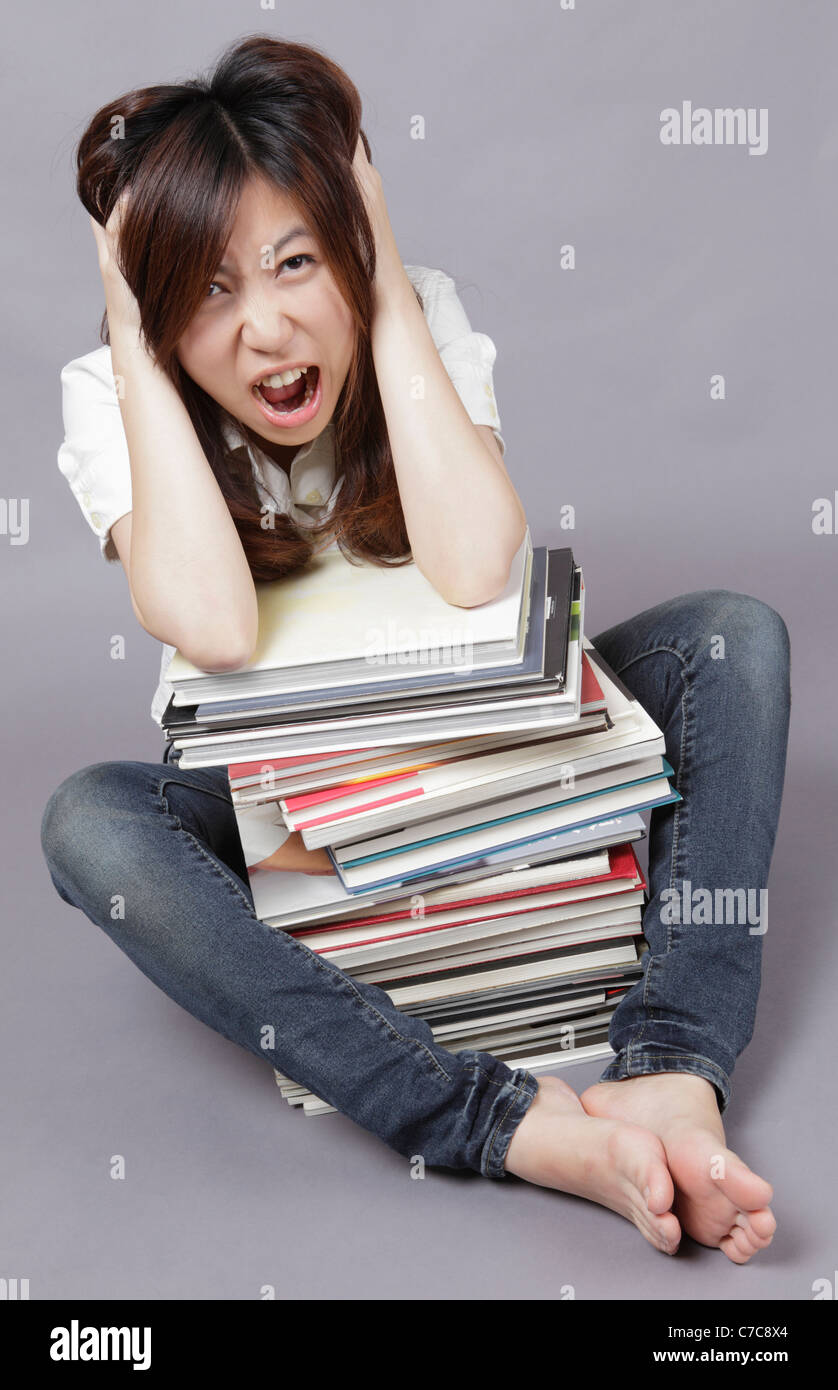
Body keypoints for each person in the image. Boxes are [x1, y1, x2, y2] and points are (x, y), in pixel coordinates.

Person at [41, 34, 790, 1264]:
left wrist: (382, 276)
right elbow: (215, 625)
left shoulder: (412, 309)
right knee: (89, 822)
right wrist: (134, 327)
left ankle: (671, 1066)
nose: (268, 327)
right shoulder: (115, 386)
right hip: (290, 809)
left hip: (493, 753)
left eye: (297, 261)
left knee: (730, 638)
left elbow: (475, 564)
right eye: (208, 290)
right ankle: (493, 1119)